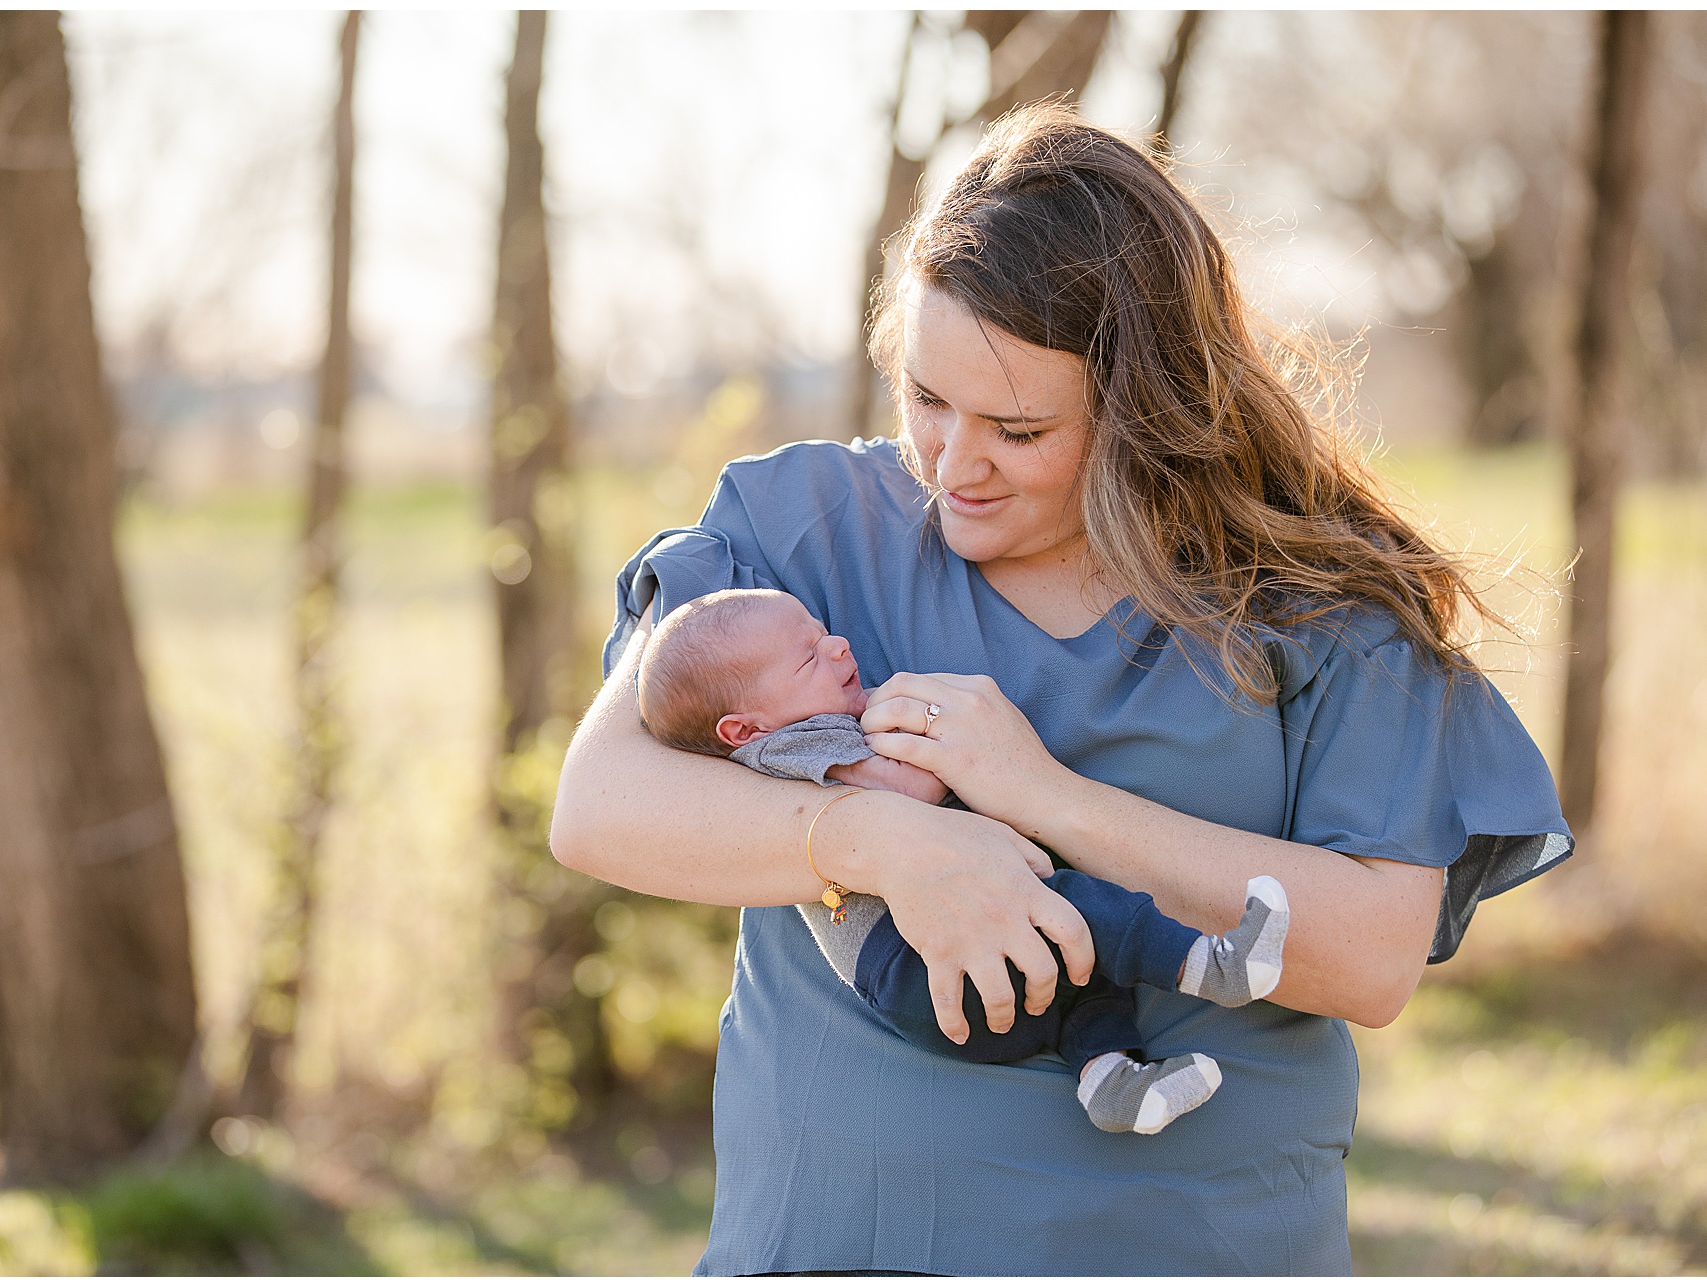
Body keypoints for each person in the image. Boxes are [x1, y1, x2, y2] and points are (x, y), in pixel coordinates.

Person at [551, 105, 1572, 1275]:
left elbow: (1375, 957)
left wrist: (1048, 798)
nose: (953, 464)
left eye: (1021, 429)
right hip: (840, 1246)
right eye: (927, 401)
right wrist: (884, 842)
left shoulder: (1308, 601)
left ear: (1148, 410)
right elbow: (599, 806)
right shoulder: (804, 532)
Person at [634, 585, 1292, 1137]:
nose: (836, 646)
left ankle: (1114, 1084)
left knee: (1085, 982)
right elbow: (910, 786)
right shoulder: (789, 750)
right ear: (742, 729)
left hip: (946, 990)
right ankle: (1212, 963)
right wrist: (933, 725)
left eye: (823, 631)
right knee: (1078, 910)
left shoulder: (793, 734)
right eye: (807, 657)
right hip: (917, 961)